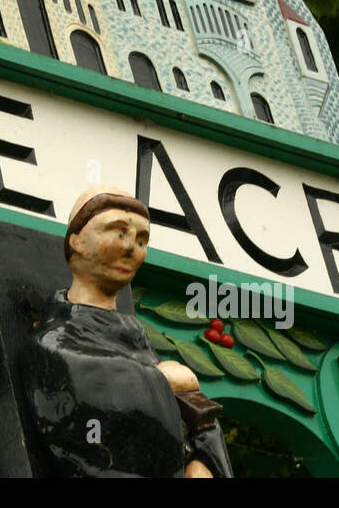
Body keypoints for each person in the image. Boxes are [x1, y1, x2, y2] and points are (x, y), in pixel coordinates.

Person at [20, 185, 234, 477]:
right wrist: (164, 381)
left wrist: (201, 456)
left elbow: (202, 422)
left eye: (141, 239)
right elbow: (87, 387)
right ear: (77, 241)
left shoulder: (136, 340)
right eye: (118, 233)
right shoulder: (54, 338)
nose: (130, 247)